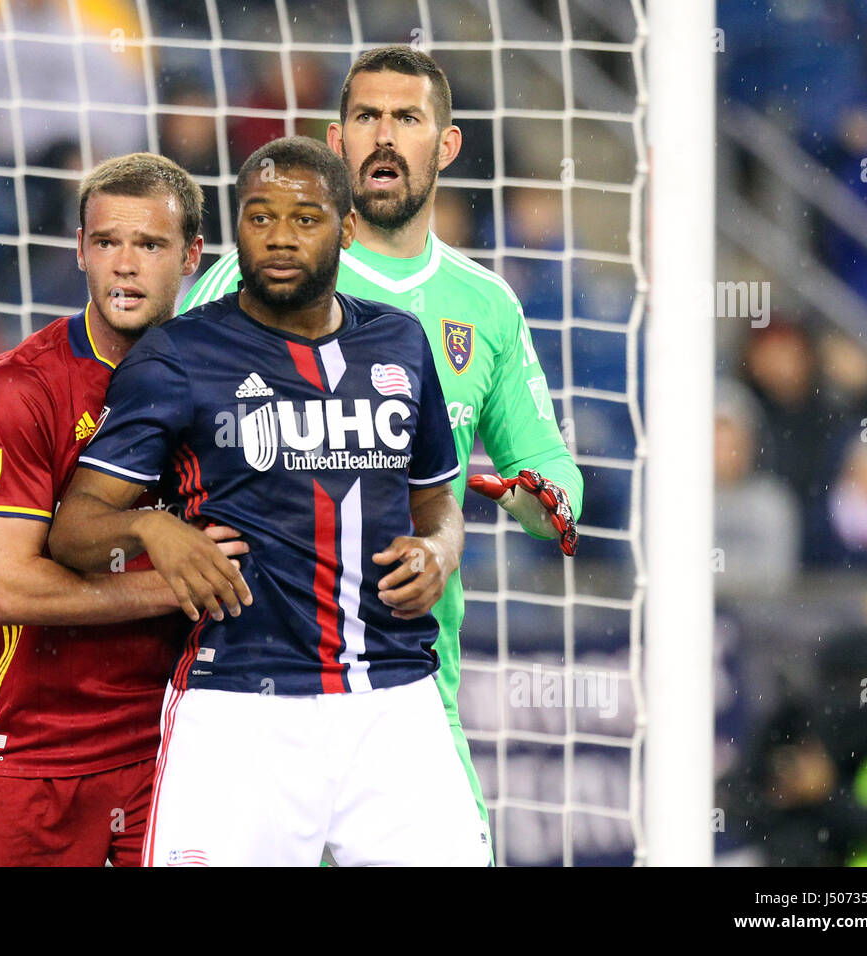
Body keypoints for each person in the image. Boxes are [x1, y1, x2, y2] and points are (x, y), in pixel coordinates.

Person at [180, 46, 583, 861]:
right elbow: (160, 437)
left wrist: (517, 492)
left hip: (410, 685)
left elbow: (556, 482)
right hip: (255, 685)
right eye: (367, 117)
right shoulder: (244, 279)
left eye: (407, 119)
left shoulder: (485, 307)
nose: (384, 138)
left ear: (448, 145)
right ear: (336, 139)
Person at [48, 136, 489, 866]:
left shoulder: (401, 345)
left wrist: (438, 549)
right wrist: (154, 528)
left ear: (346, 230)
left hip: (395, 700)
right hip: (239, 707)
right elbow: (74, 529)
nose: (280, 237)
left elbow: (438, 501)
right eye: (259, 217)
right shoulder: (177, 356)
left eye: (305, 218)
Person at [0, 153, 246, 867]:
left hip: (177, 751)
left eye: (151, 245)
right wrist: (174, 582)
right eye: (107, 243)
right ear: (80, 250)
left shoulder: (231, 382)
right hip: (39, 751)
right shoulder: (26, 386)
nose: (125, 266)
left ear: (192, 255)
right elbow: (9, 588)